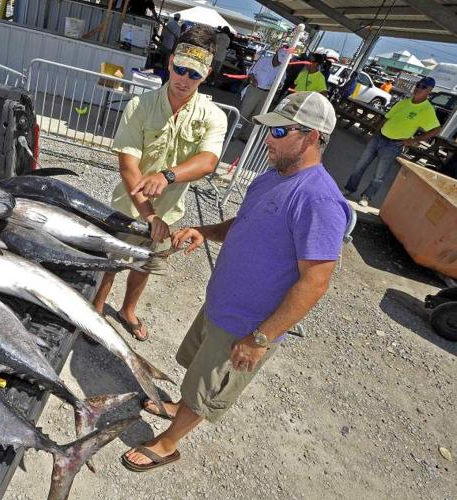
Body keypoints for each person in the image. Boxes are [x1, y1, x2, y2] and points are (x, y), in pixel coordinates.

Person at [121, 91, 350, 472]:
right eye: (267, 129)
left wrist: (260, 339)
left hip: (248, 325)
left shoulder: (319, 200)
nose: (268, 139)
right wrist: (204, 231)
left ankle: (168, 443)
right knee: (196, 372)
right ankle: (180, 406)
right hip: (220, 305)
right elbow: (243, 225)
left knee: (209, 390)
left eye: (279, 131)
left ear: (312, 138)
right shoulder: (269, 179)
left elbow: (315, 282)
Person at [92, 27, 228, 341]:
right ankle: (97, 307)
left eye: (193, 74)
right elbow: (128, 167)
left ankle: (127, 310)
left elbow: (208, 161)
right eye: (179, 69)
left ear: (206, 74)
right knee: (112, 261)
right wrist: (149, 215)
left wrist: (167, 176)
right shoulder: (139, 106)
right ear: (169, 63)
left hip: (169, 214)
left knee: (144, 265)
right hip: (129, 208)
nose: (183, 79)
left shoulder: (213, 116)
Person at [343, 76, 441, 206]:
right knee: (359, 166)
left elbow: (436, 130)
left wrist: (413, 140)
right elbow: (387, 117)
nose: (418, 88)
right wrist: (376, 132)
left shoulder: (427, 110)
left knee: (379, 175)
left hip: (394, 145)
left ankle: (366, 197)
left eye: (423, 87)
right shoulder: (404, 102)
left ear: (430, 90)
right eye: (418, 84)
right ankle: (349, 189)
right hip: (379, 138)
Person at [237, 47, 286, 141]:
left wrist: (278, 85)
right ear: (276, 53)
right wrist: (253, 80)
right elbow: (251, 72)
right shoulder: (264, 60)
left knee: (257, 116)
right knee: (244, 113)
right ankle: (235, 133)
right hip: (255, 89)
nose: (279, 62)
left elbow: (281, 83)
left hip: (267, 94)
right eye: (279, 59)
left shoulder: (283, 67)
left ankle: (246, 136)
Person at [160, 13, 181, 82]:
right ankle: (163, 73)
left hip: (164, 43)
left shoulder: (169, 24)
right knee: (167, 59)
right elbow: (177, 39)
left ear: (174, 17)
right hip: (170, 45)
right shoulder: (178, 27)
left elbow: (162, 34)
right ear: (178, 19)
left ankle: (160, 70)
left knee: (162, 58)